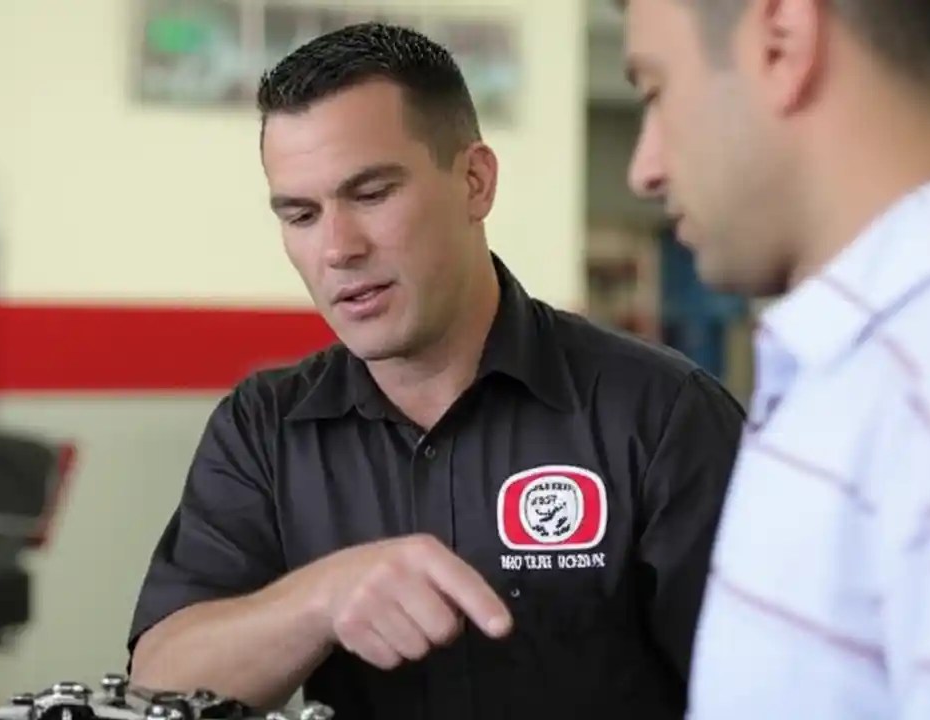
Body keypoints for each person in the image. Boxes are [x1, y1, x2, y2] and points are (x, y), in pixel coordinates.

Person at [126, 22, 745, 719]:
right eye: (300, 214)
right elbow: (159, 682)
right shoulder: (265, 429)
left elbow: (775, 693)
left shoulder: (659, 415)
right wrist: (319, 600)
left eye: (371, 193)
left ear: (475, 182)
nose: (337, 248)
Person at [619, 0, 930, 717]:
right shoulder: (855, 366)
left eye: (655, 90)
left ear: (783, 41)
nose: (644, 170)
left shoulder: (922, 385)